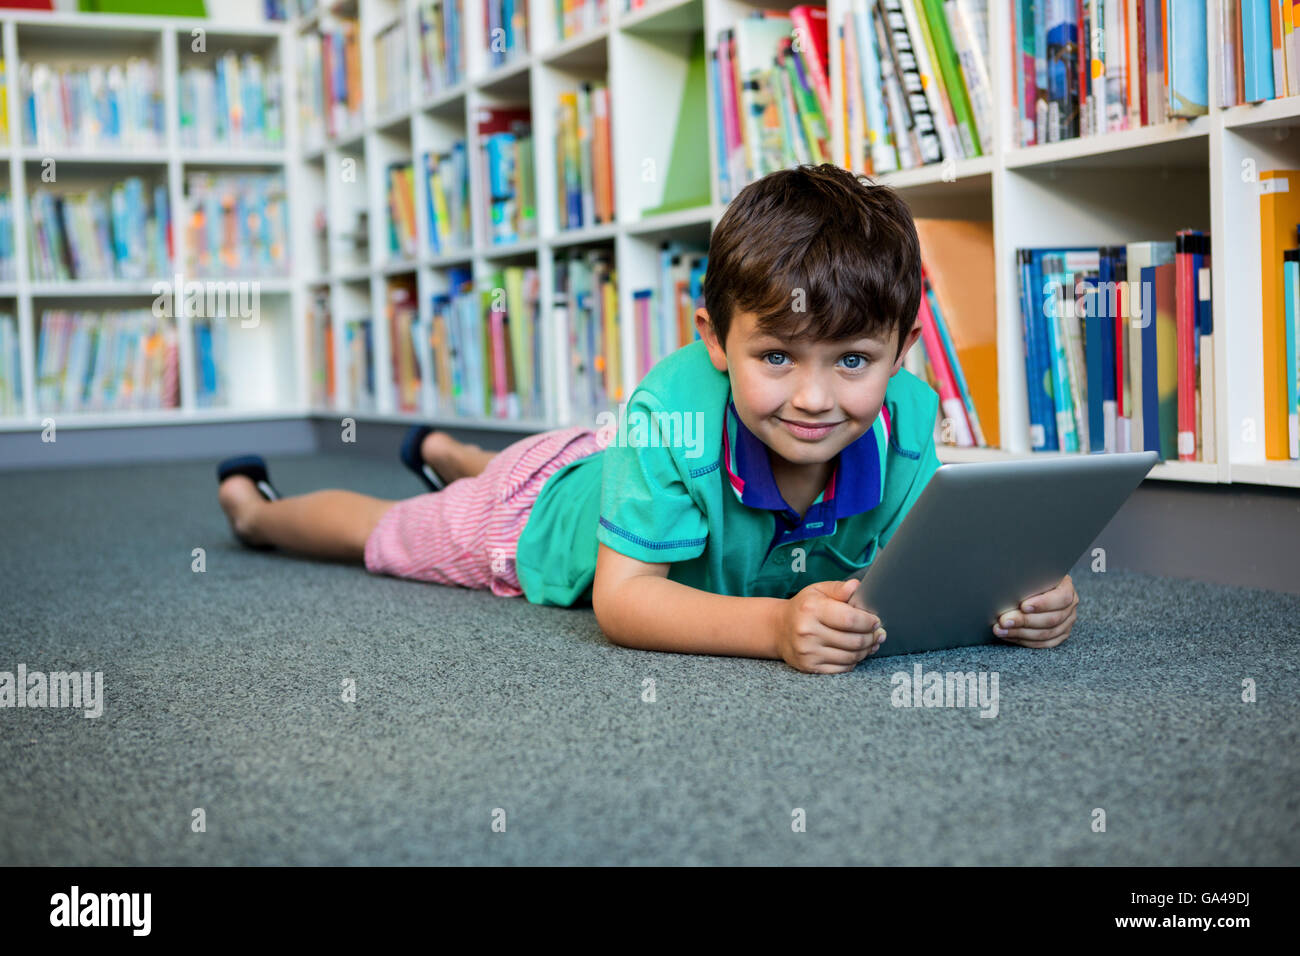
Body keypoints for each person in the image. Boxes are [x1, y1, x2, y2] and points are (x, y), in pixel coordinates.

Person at [217, 163, 1078, 673]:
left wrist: (1020, 592)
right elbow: (625, 602)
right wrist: (776, 627)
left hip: (620, 454)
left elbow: (926, 555)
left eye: (852, 361)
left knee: (585, 452)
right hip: (540, 511)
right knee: (394, 531)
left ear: (903, 351)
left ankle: (455, 450)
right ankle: (262, 513)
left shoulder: (906, 421)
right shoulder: (668, 408)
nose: (816, 398)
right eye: (776, 356)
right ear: (713, 339)